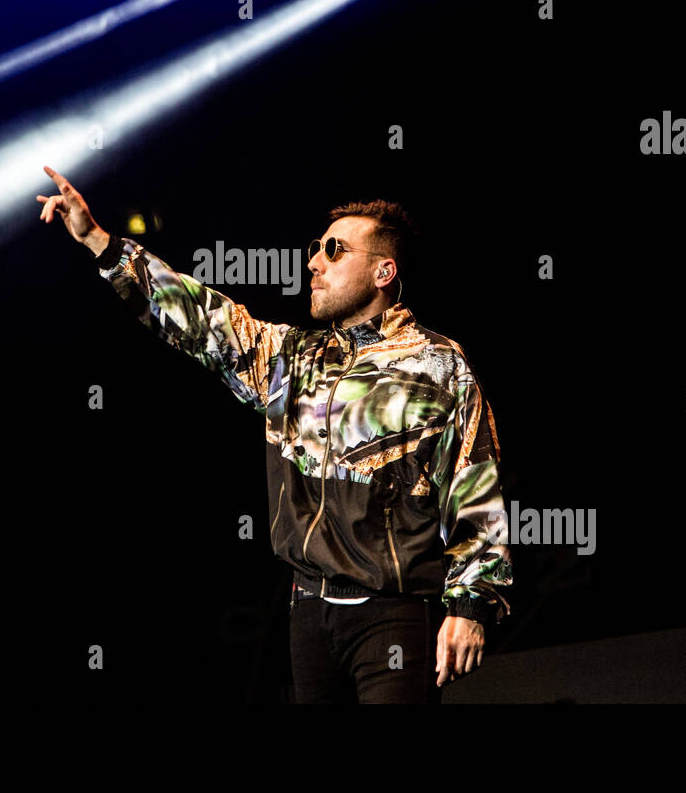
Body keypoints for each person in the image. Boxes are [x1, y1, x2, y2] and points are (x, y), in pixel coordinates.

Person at [38, 166, 513, 703]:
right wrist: (101, 244)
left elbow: (475, 487)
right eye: (316, 248)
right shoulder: (293, 359)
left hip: (395, 613)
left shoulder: (435, 364)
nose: (314, 263)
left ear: (384, 272)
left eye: (335, 251)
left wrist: (471, 604)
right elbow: (202, 318)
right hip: (308, 613)